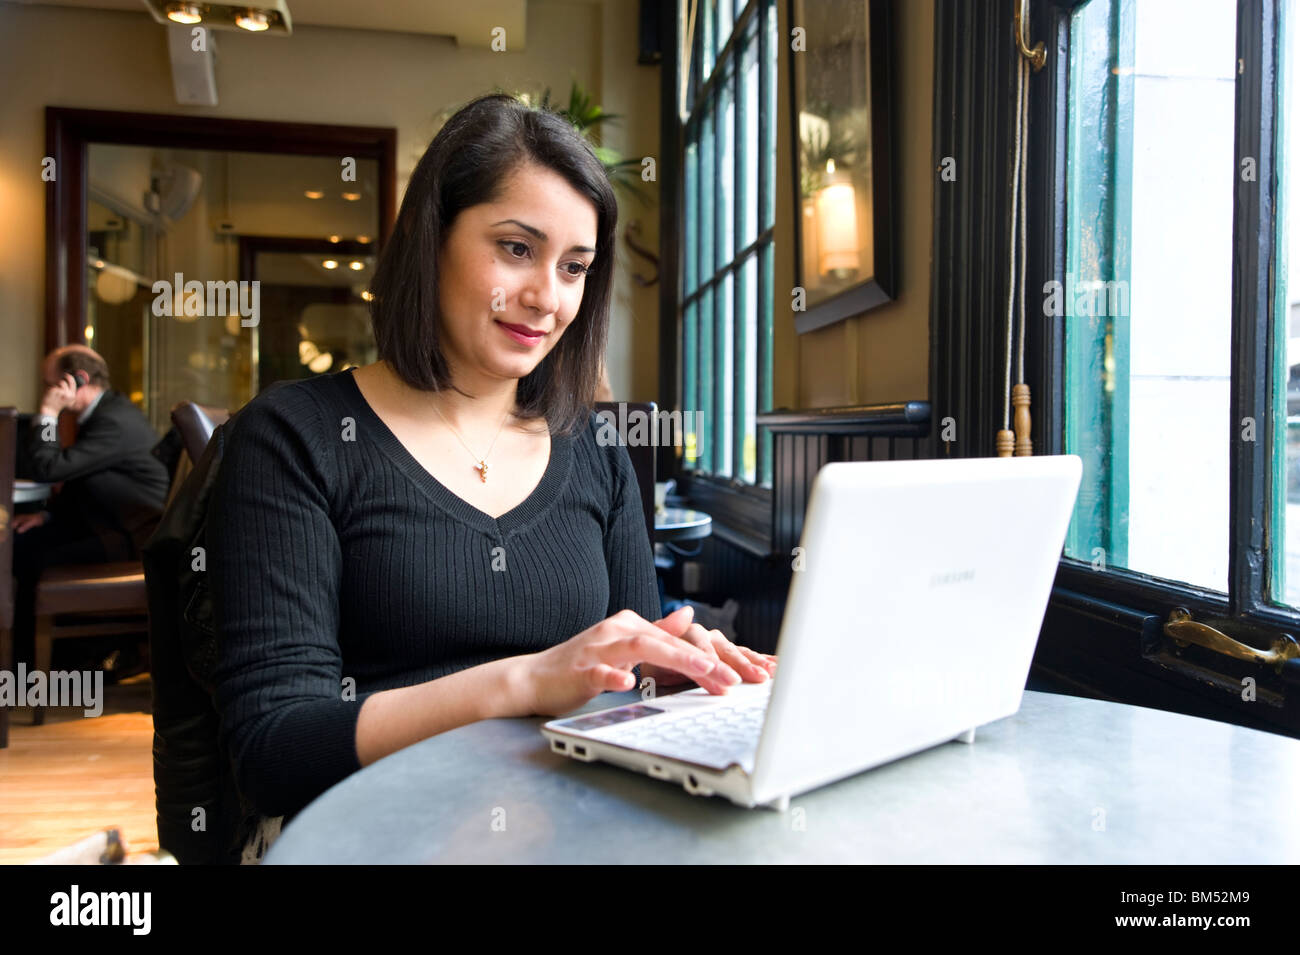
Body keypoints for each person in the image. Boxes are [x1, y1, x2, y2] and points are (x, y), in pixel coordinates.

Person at [209, 92, 777, 859]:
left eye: (574, 267)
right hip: (366, 832)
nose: (548, 297)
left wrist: (680, 672)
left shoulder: (594, 447)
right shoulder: (295, 437)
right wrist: (524, 681)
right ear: (431, 237)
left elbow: (627, 676)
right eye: (516, 248)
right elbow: (273, 752)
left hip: (567, 821)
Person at [12, 345, 170, 668]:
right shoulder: (106, 412)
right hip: (104, 524)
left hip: (130, 538)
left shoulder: (114, 420)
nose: (46, 390)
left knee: (27, 555)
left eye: (49, 383)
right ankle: (31, 661)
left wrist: (47, 412)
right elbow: (85, 481)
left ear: (75, 380)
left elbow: (47, 469)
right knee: (18, 543)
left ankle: (31, 667)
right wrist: (45, 515)